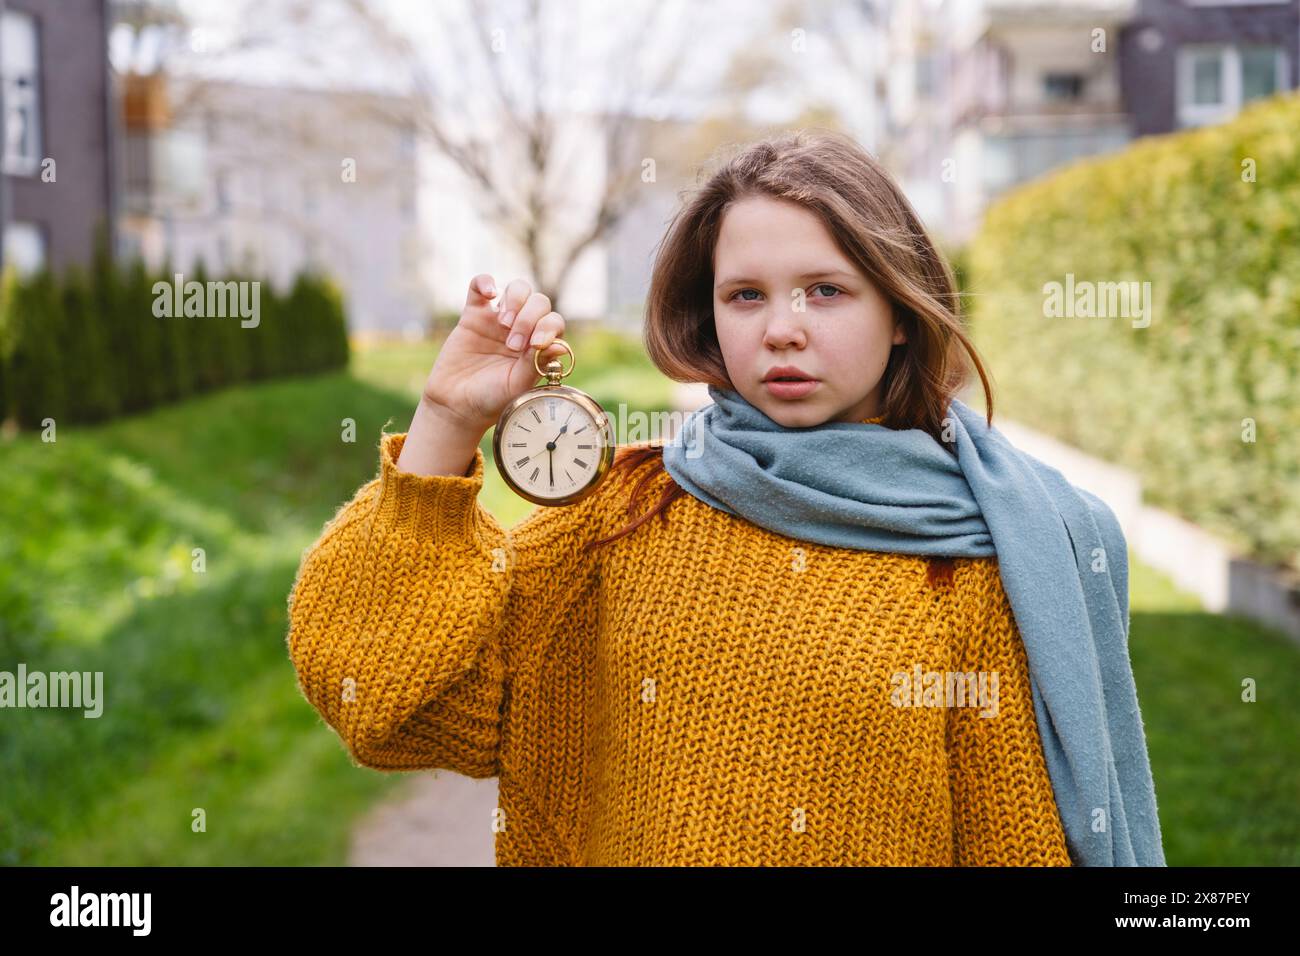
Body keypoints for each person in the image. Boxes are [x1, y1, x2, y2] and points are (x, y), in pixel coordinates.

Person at [286, 129, 1163, 867]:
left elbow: (1016, 846)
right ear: (708, 317)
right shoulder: (627, 515)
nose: (783, 326)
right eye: (746, 295)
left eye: (826, 290)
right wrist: (445, 421)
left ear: (900, 309)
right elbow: (391, 702)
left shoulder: (982, 556)